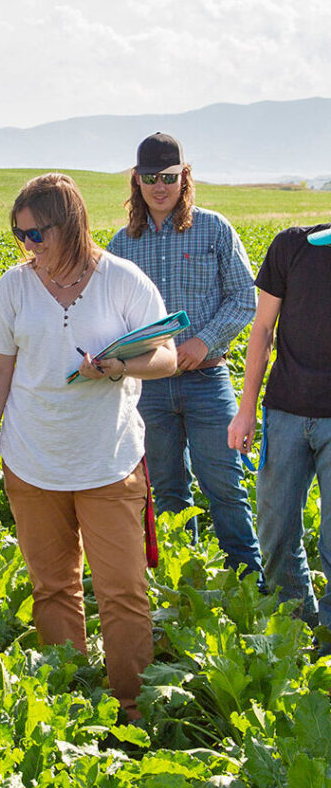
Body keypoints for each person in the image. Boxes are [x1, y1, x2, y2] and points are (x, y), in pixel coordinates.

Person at [0, 173, 176, 718]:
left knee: (123, 592)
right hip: (31, 461)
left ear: (70, 226)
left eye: (36, 235)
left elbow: (167, 356)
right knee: (53, 589)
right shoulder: (14, 287)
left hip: (108, 461)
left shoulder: (123, 281)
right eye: (20, 237)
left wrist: (119, 367)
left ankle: (131, 706)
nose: (28, 247)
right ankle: (70, 704)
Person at [108, 132, 262, 575]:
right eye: (151, 177)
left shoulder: (214, 229)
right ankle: (180, 591)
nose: (161, 186)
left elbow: (243, 299)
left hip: (207, 380)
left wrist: (203, 341)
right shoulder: (122, 244)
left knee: (226, 488)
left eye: (170, 177)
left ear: (184, 177)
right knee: (167, 493)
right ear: (136, 181)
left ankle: (248, 590)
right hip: (150, 388)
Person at [227, 224, 331, 630]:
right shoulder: (292, 245)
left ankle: (327, 646)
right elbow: (262, 330)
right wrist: (246, 407)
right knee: (276, 534)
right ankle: (296, 627)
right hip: (285, 411)